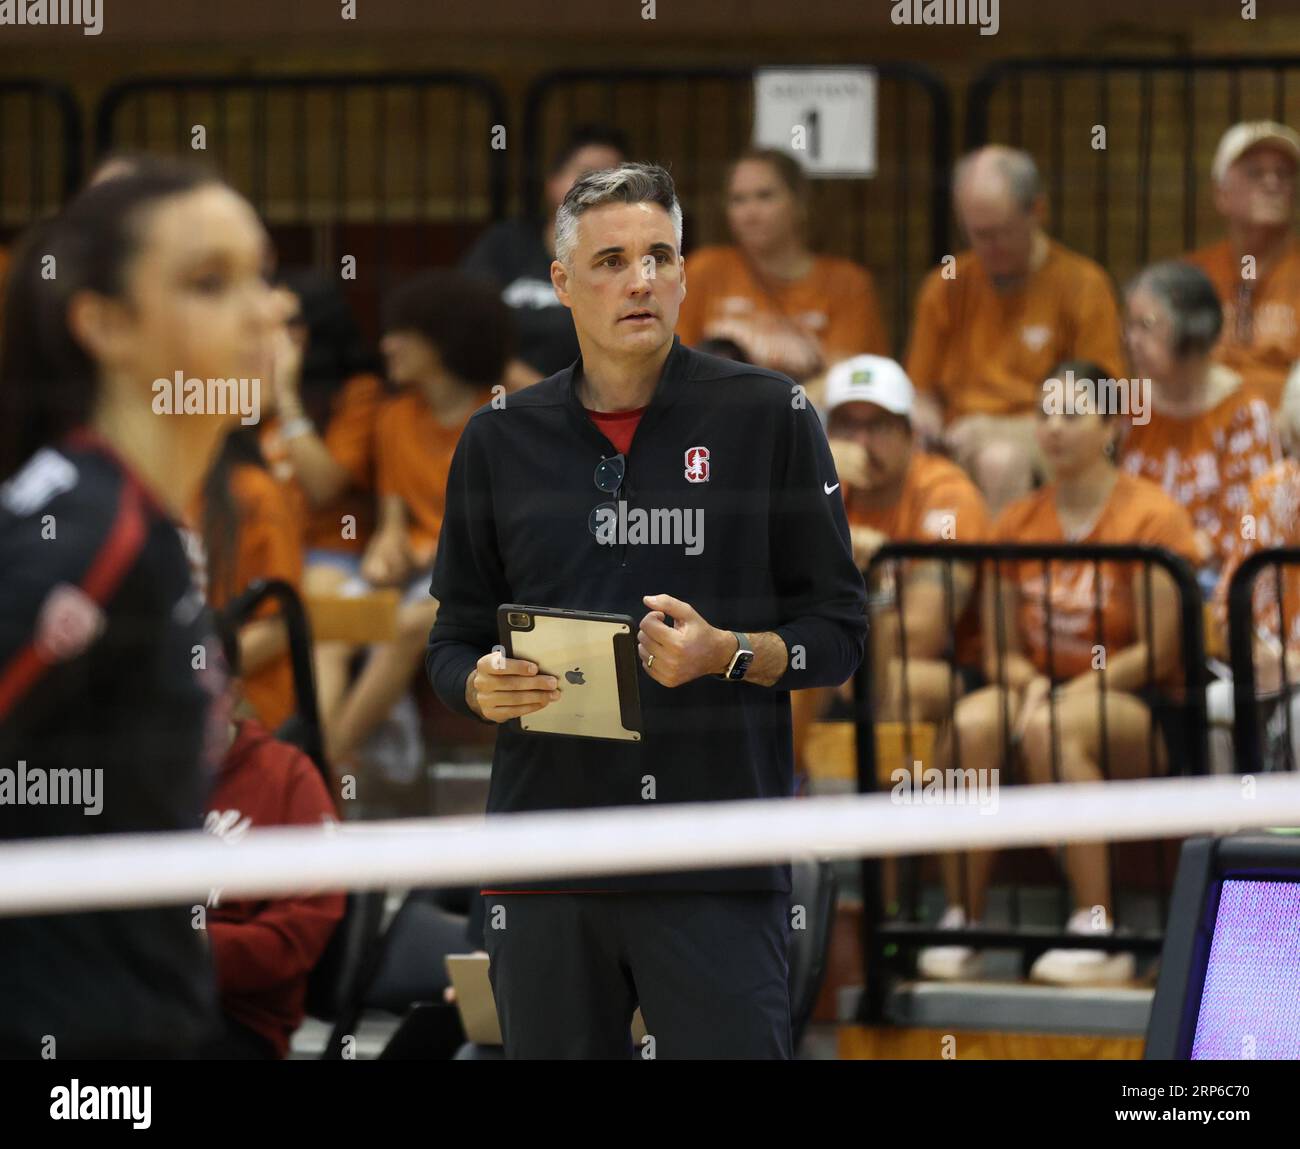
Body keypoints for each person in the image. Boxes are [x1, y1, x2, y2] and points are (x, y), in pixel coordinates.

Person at [426, 162, 866, 1059]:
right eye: (614, 260)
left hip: (714, 860)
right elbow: (450, 639)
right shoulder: (499, 438)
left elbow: (840, 634)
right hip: (547, 858)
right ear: (561, 284)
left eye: (661, 256)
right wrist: (479, 686)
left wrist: (730, 653)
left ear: (684, 275)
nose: (642, 280)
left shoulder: (770, 415)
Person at [0, 159, 278, 1056]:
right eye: (209, 282)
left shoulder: (146, 524)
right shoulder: (87, 535)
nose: (260, 312)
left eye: (262, 276)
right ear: (105, 324)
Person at [919, 363, 1198, 986]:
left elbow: (1157, 652)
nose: (1053, 427)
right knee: (968, 721)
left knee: (1052, 731)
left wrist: (1068, 693)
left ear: (1111, 427)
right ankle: (963, 918)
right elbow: (998, 651)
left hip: (1138, 707)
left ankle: (1098, 929)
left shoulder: (1154, 518)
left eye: (1072, 414)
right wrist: (1029, 683)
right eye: (1044, 413)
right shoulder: (1017, 520)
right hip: (1039, 694)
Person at [324, 270, 512, 771]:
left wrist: (433, 551)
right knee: (329, 620)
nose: (386, 345)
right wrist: (383, 550)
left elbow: (504, 529)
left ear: (443, 338)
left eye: (402, 333)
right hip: (413, 571)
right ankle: (323, 755)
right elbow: (392, 519)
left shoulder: (499, 415)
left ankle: (328, 760)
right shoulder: (393, 417)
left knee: (412, 623)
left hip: (473, 576)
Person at [790, 355, 991, 780]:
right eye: (846, 426)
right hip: (845, 656)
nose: (860, 443)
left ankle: (884, 841)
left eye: (877, 427)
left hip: (952, 669)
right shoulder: (821, 487)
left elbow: (919, 637)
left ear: (910, 434)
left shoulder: (946, 494)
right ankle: (784, 819)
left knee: (895, 686)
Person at [905, 146, 1127, 514]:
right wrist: (924, 422)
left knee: (1000, 460)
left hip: (1046, 431)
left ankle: (1004, 572)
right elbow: (920, 391)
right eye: (977, 235)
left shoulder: (1083, 285)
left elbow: (1102, 401)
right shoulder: (945, 285)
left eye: (1001, 233)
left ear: (1037, 211)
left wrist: (993, 429)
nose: (989, 249)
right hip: (957, 437)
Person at [199, 618, 345, 1059]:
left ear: (234, 692)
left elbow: (300, 933)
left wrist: (192, 949)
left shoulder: (287, 776)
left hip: (234, 1021)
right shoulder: (120, 775)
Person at [1120, 260, 1280, 590]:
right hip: (1129, 566)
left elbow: (1244, 527)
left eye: (1146, 325)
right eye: (1129, 325)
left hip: (1205, 576)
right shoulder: (1126, 403)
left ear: (1193, 330)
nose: (1131, 339)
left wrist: (1167, 558)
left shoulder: (1245, 412)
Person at [675, 147, 888, 382]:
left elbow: (850, 377)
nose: (750, 213)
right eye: (738, 199)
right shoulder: (705, 269)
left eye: (765, 196)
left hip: (809, 414)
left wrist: (785, 408)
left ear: (800, 202)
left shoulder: (847, 283)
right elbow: (676, 361)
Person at [461, 123, 627, 389]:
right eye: (587, 174)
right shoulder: (505, 244)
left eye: (615, 180)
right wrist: (542, 398)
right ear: (553, 184)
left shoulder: (630, 261)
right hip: (502, 403)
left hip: (589, 411)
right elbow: (466, 330)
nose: (601, 188)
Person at [1185, 121, 1300, 409]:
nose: (1272, 182)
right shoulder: (1189, 276)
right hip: (1202, 428)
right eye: (1255, 173)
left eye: (1283, 174)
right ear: (1221, 194)